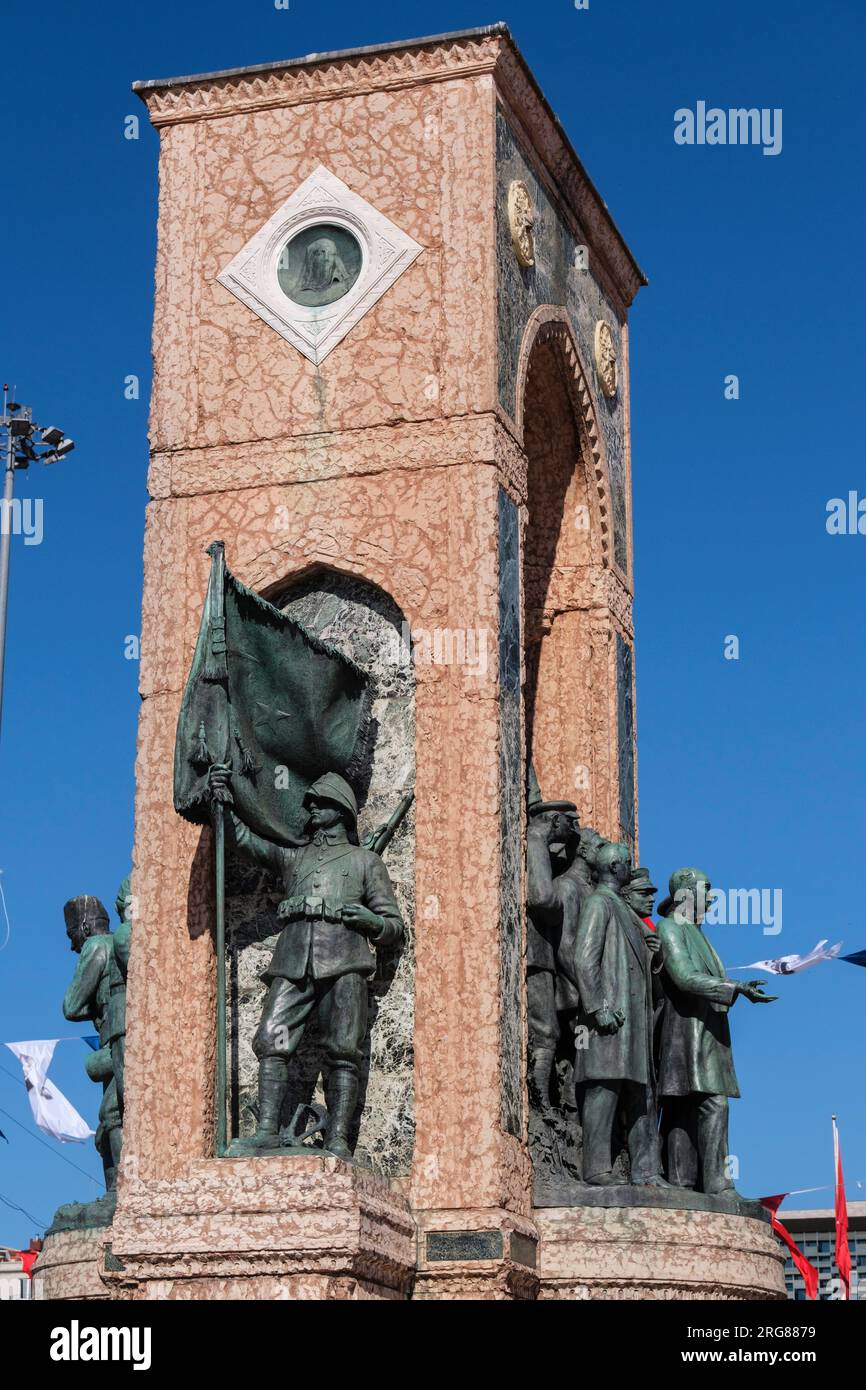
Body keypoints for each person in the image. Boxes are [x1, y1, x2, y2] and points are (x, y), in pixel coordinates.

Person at [208, 765, 403, 1158]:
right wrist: (221, 801)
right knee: (270, 1039)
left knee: (344, 1050)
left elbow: (394, 926)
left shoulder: (365, 862)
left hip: (345, 961)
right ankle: (266, 1130)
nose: (312, 807)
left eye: (322, 802)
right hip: (294, 961)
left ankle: (338, 1140)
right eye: (311, 802)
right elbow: (244, 840)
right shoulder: (294, 858)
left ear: (342, 810)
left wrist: (372, 922)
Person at [656, 867, 775, 1194]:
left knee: (688, 1106)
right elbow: (683, 976)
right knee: (707, 1104)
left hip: (706, 1032)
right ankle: (717, 1185)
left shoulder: (696, 932)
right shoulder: (671, 928)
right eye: (705, 890)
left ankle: (685, 1184)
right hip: (685, 1033)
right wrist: (734, 987)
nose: (711, 898)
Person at [573, 842, 667, 1187]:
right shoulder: (600, 902)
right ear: (615, 867)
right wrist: (598, 1008)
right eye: (627, 864)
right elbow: (584, 958)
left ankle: (647, 1172)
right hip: (608, 1021)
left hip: (631, 1023)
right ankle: (597, 1168)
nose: (630, 869)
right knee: (604, 1090)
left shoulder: (623, 909)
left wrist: (652, 955)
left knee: (640, 1094)